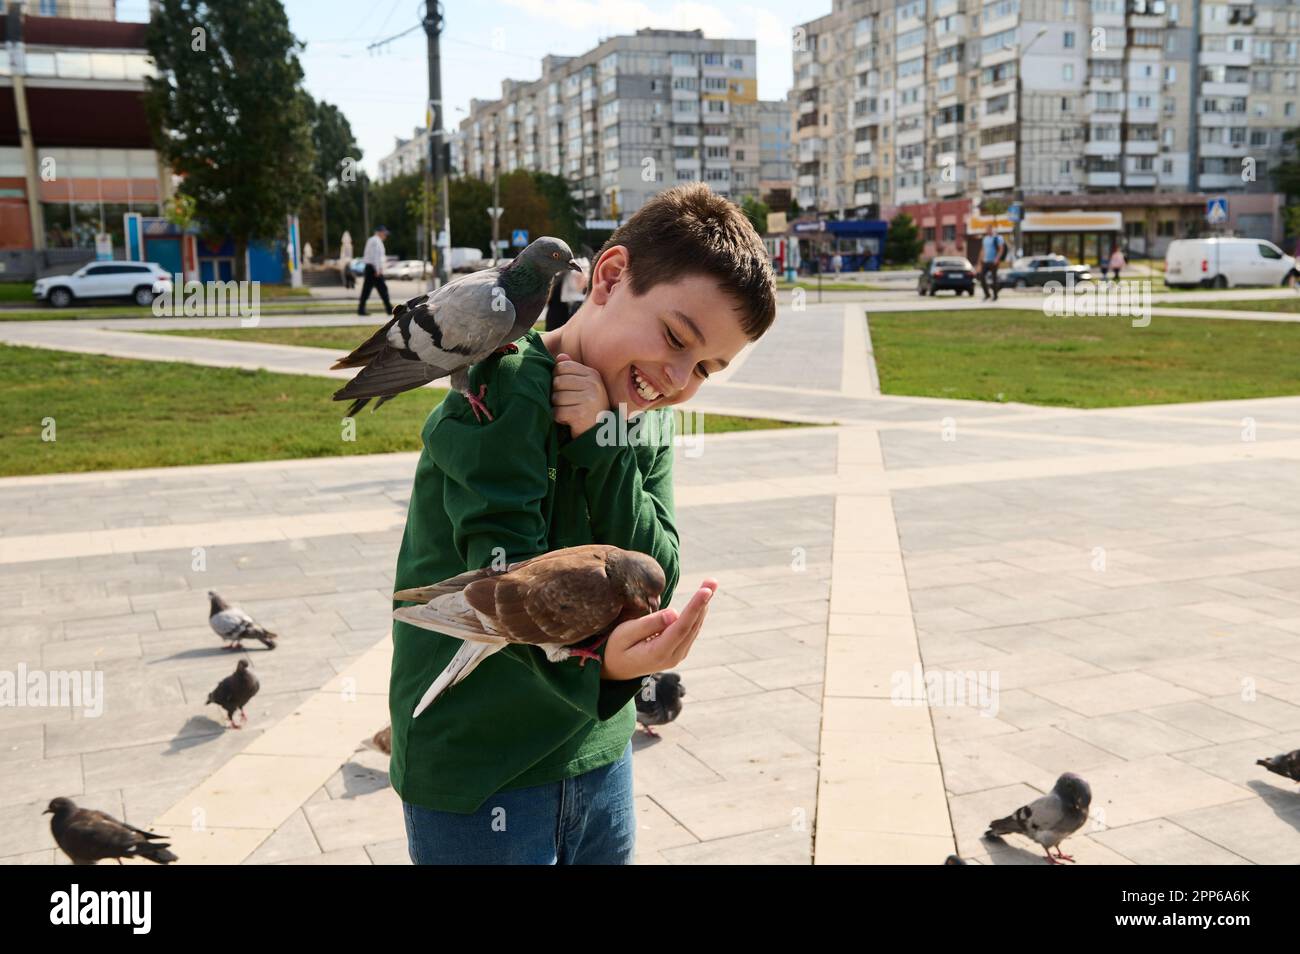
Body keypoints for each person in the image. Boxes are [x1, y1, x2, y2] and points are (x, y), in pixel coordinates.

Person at [391, 183, 777, 864]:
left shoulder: (642, 418)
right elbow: (505, 590)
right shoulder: (500, 389)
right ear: (608, 276)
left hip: (598, 752)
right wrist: (601, 674)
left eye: (706, 369)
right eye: (675, 337)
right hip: (481, 771)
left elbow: (657, 567)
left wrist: (604, 441)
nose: (678, 376)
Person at [358, 225, 392, 316]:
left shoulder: (372, 240)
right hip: (374, 269)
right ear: (380, 232)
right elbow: (376, 256)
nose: (385, 236)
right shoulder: (376, 241)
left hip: (371, 268)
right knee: (382, 289)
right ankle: (389, 309)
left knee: (367, 290)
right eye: (385, 234)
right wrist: (378, 269)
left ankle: (361, 309)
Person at [976, 224, 1007, 300]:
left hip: (994, 262)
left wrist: (997, 259)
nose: (987, 231)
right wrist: (979, 263)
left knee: (994, 279)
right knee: (981, 276)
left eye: (988, 229)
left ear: (992, 229)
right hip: (986, 261)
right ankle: (987, 294)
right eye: (986, 229)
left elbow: (1001, 249)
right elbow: (982, 250)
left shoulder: (998, 238)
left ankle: (995, 296)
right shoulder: (985, 239)